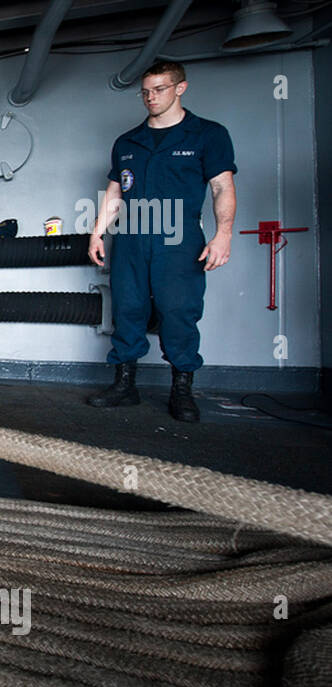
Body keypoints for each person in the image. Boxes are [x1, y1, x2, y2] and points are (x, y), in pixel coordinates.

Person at [86, 60, 236, 422]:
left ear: (180, 88)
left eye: (160, 89)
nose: (151, 97)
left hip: (179, 237)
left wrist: (224, 235)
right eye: (146, 91)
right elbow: (115, 191)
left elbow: (222, 186)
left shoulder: (207, 134)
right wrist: (97, 231)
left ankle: (182, 390)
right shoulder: (127, 141)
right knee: (127, 309)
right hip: (132, 237)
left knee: (179, 311)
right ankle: (125, 386)